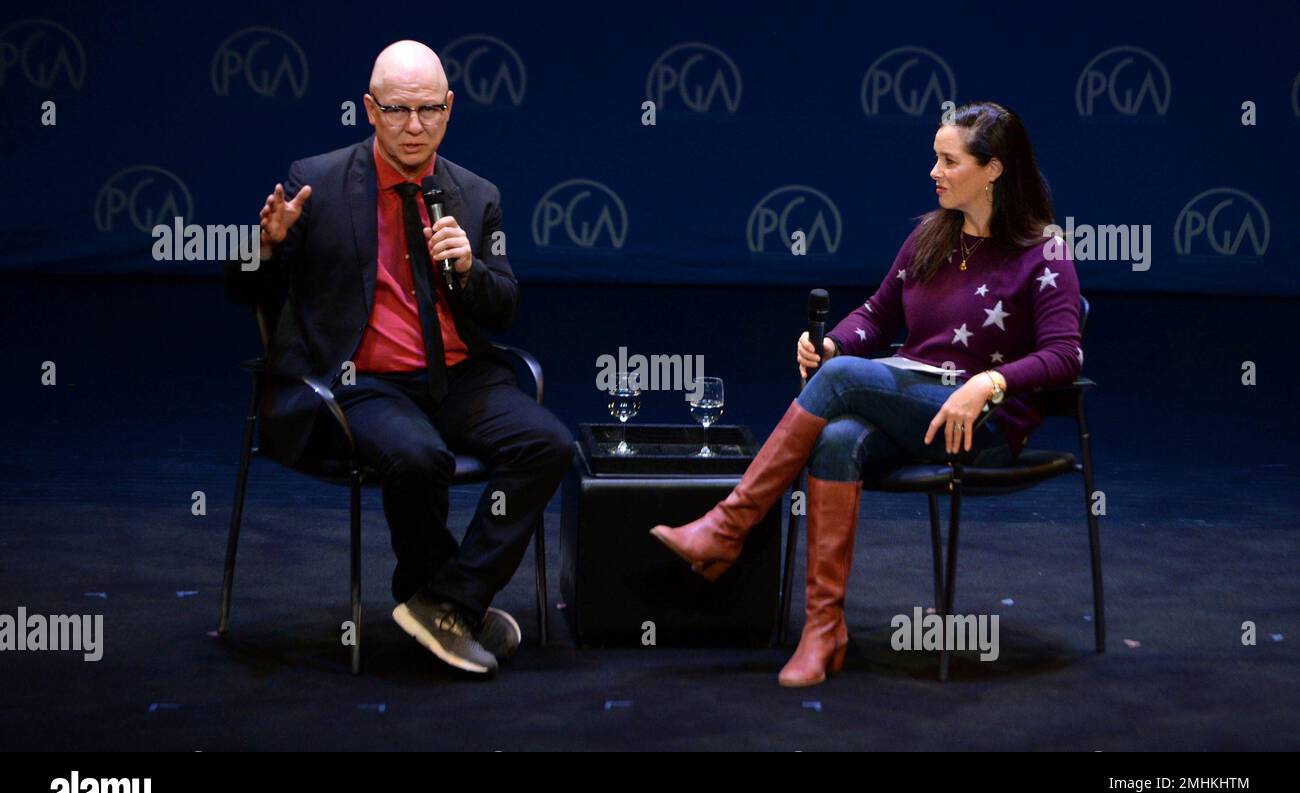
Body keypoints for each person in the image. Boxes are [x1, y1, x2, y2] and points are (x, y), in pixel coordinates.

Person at [652, 102, 1083, 687]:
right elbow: (876, 318)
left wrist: (990, 380)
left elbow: (1065, 356)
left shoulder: (1045, 253)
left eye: (948, 160)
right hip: (914, 406)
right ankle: (823, 629)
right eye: (935, 157)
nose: (934, 171)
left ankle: (728, 528)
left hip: (979, 424)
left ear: (993, 170)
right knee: (836, 436)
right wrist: (831, 346)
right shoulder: (930, 238)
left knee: (843, 382)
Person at [225, 40, 573, 677]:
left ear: (449, 110)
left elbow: (503, 308)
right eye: (396, 110)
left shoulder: (475, 194)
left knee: (548, 444)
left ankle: (448, 602)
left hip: (457, 376)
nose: (414, 126)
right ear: (369, 109)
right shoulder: (318, 183)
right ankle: (446, 602)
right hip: (358, 379)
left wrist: (469, 269)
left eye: (428, 110)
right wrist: (264, 250)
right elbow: (247, 294)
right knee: (418, 457)